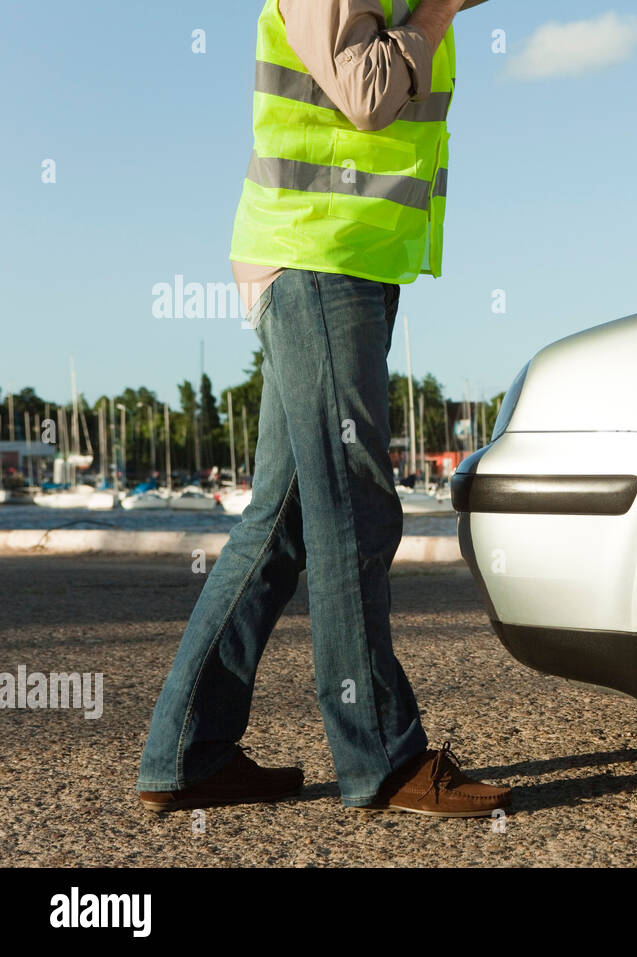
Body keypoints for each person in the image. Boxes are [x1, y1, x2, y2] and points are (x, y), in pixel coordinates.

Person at [136, 0, 509, 819]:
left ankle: (186, 752)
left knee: (285, 518)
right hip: (317, 254)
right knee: (354, 507)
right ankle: (380, 758)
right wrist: (442, 11)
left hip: (351, 257)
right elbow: (364, 92)